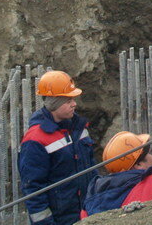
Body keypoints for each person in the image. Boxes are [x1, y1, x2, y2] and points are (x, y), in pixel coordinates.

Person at [19, 71, 95, 225]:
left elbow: (92, 168)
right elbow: (33, 189)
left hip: (87, 212)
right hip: (61, 219)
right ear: (54, 103)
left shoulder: (79, 128)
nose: (74, 104)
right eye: (68, 100)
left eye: (73, 99)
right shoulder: (36, 139)